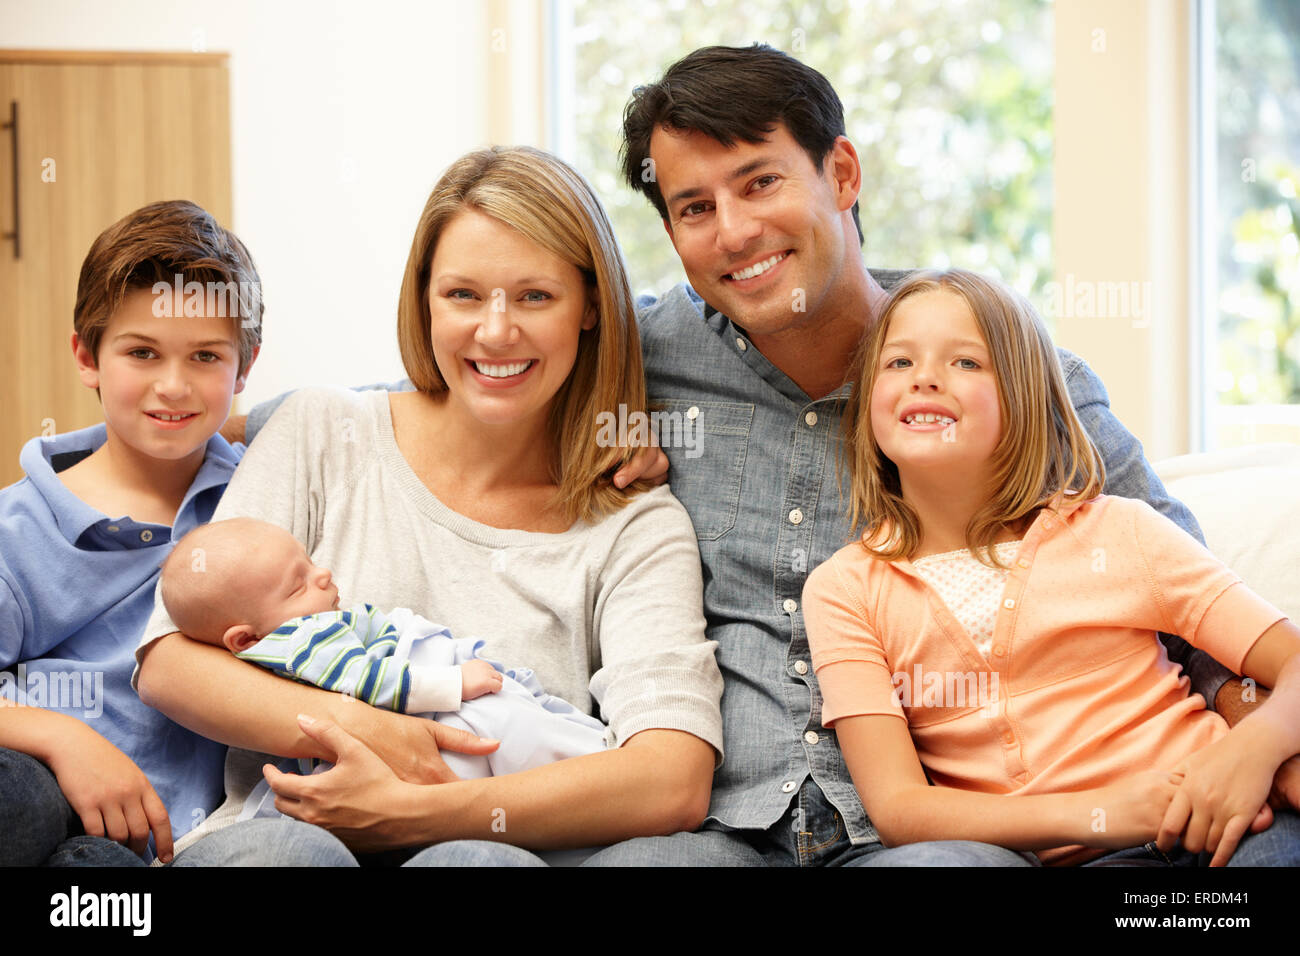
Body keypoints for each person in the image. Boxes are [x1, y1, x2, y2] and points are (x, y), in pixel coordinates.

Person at [133, 145, 724, 865]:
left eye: (535, 296)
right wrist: (370, 728)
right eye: (463, 295)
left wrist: (424, 815)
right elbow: (170, 662)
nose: (496, 330)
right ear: (424, 300)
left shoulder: (634, 521)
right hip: (281, 837)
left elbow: (671, 778)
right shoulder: (321, 431)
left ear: (592, 305)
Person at [802, 268, 1300, 866]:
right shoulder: (844, 590)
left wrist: (1252, 751)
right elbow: (900, 810)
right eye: (899, 363)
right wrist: (1104, 814)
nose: (925, 379)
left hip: (1226, 821)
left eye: (966, 362)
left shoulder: (1122, 530)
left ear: (1024, 399)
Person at [0, 200, 262, 865]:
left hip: (206, 840)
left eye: (205, 356)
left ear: (245, 365)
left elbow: (391, 402)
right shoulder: (20, 529)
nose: (172, 387)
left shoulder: (263, 496)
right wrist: (63, 737)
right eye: (141, 352)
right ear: (87, 357)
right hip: (57, 825)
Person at [157, 516, 607, 821]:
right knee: (509, 732)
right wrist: (452, 683)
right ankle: (600, 771)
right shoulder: (300, 642)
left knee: (519, 732)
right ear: (246, 639)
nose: (324, 575)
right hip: (419, 723)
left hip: (418, 733)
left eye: (310, 562)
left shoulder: (297, 627)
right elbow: (371, 681)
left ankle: (592, 768)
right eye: (298, 585)